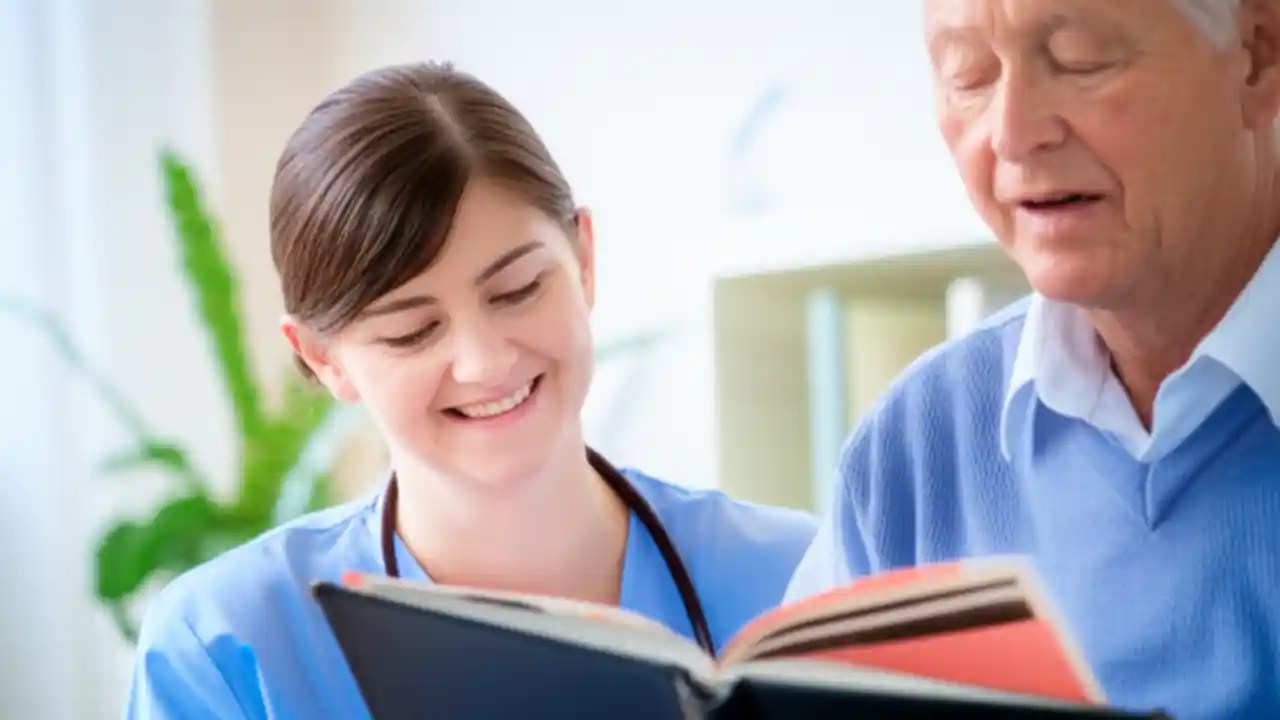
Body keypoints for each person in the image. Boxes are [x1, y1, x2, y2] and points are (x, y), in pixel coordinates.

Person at [126, 62, 817, 718]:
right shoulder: (225, 647)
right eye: (412, 331)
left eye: (518, 291)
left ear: (584, 260)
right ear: (322, 358)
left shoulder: (802, 578)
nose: (484, 363)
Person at [786, 1, 1280, 718]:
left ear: (1260, 54)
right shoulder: (915, 449)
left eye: (1082, 59)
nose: (1012, 134)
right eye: (968, 75)